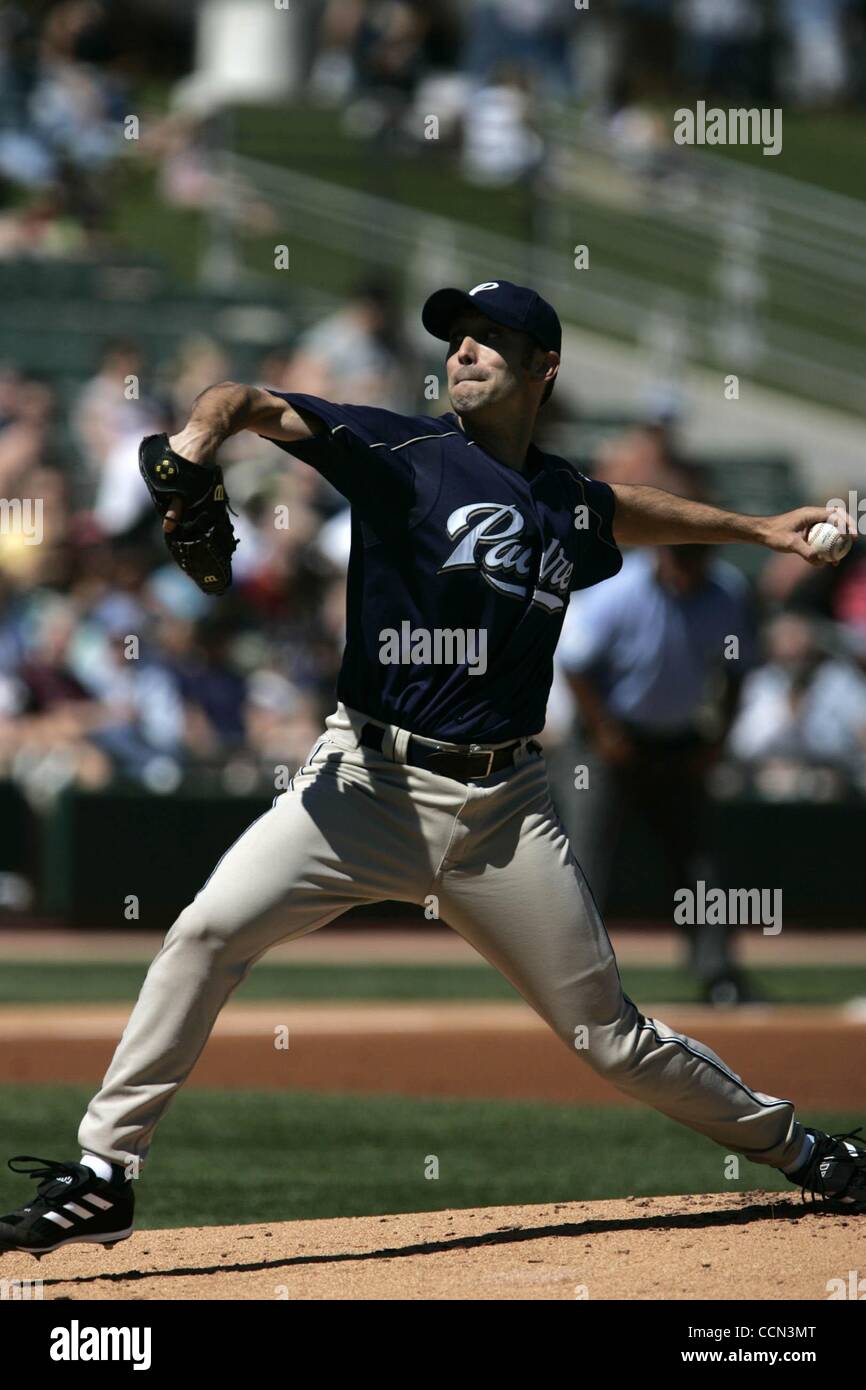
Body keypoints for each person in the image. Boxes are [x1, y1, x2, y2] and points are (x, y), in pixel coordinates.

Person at [1, 279, 862, 1257]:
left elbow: (619, 511)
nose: (462, 351)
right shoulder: (400, 452)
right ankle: (106, 1171)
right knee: (203, 932)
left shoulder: (559, 498)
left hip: (504, 812)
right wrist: (193, 452)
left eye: (490, 338)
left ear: (543, 368)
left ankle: (805, 1150)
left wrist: (755, 531)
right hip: (360, 787)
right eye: (457, 337)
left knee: (608, 1036)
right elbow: (239, 402)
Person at [548, 542, 756, 1005]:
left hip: (679, 744)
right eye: (678, 558)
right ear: (660, 554)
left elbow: (739, 670)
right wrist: (604, 731)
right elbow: (576, 664)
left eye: (695, 559)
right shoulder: (619, 590)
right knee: (584, 858)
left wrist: (719, 739)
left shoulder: (724, 594)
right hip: (604, 742)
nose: (685, 569)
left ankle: (719, 975)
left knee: (698, 861)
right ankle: (572, 981)